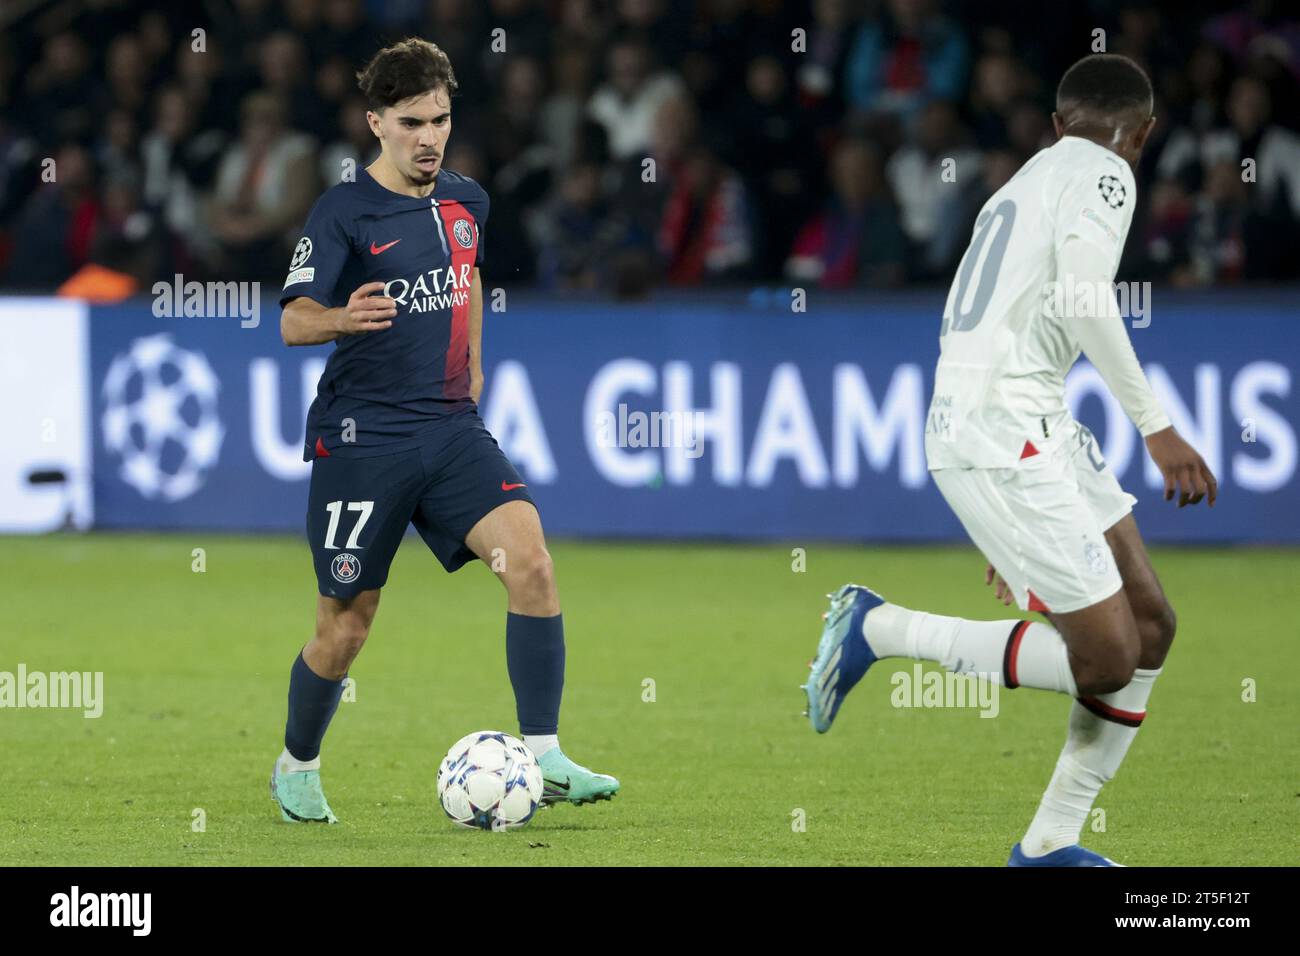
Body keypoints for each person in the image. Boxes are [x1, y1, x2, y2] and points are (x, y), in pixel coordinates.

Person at [802, 54, 1216, 865]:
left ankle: (1051, 843)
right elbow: (1086, 298)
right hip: (1001, 427)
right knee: (1109, 658)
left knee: (1152, 626)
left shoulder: (1024, 181)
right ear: (1143, 135)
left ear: (1056, 125)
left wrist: (1015, 532)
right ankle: (880, 628)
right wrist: (1156, 426)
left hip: (1024, 419)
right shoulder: (1105, 173)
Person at [272, 37, 619, 824]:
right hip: (364, 442)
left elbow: (469, 282)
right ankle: (296, 763)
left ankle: (547, 755)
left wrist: (477, 366)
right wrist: (341, 318)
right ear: (376, 123)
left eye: (441, 119)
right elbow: (292, 323)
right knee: (346, 626)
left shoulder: (469, 201)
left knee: (530, 562)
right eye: (412, 121)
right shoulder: (343, 212)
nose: (430, 136)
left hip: (452, 429)